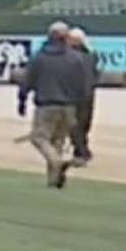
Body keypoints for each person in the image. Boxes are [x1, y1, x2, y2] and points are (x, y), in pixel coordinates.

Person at [17, 22, 95, 188]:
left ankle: (56, 163)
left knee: (39, 138)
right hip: (69, 106)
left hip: (46, 104)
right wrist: (81, 107)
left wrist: (22, 99)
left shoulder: (40, 57)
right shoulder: (76, 58)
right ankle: (54, 180)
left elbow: (28, 79)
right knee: (58, 141)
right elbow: (84, 85)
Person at [67, 26, 98, 165]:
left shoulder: (72, 56)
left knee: (77, 124)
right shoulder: (90, 55)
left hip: (76, 93)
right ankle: (81, 150)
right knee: (81, 124)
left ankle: (81, 151)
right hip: (86, 93)